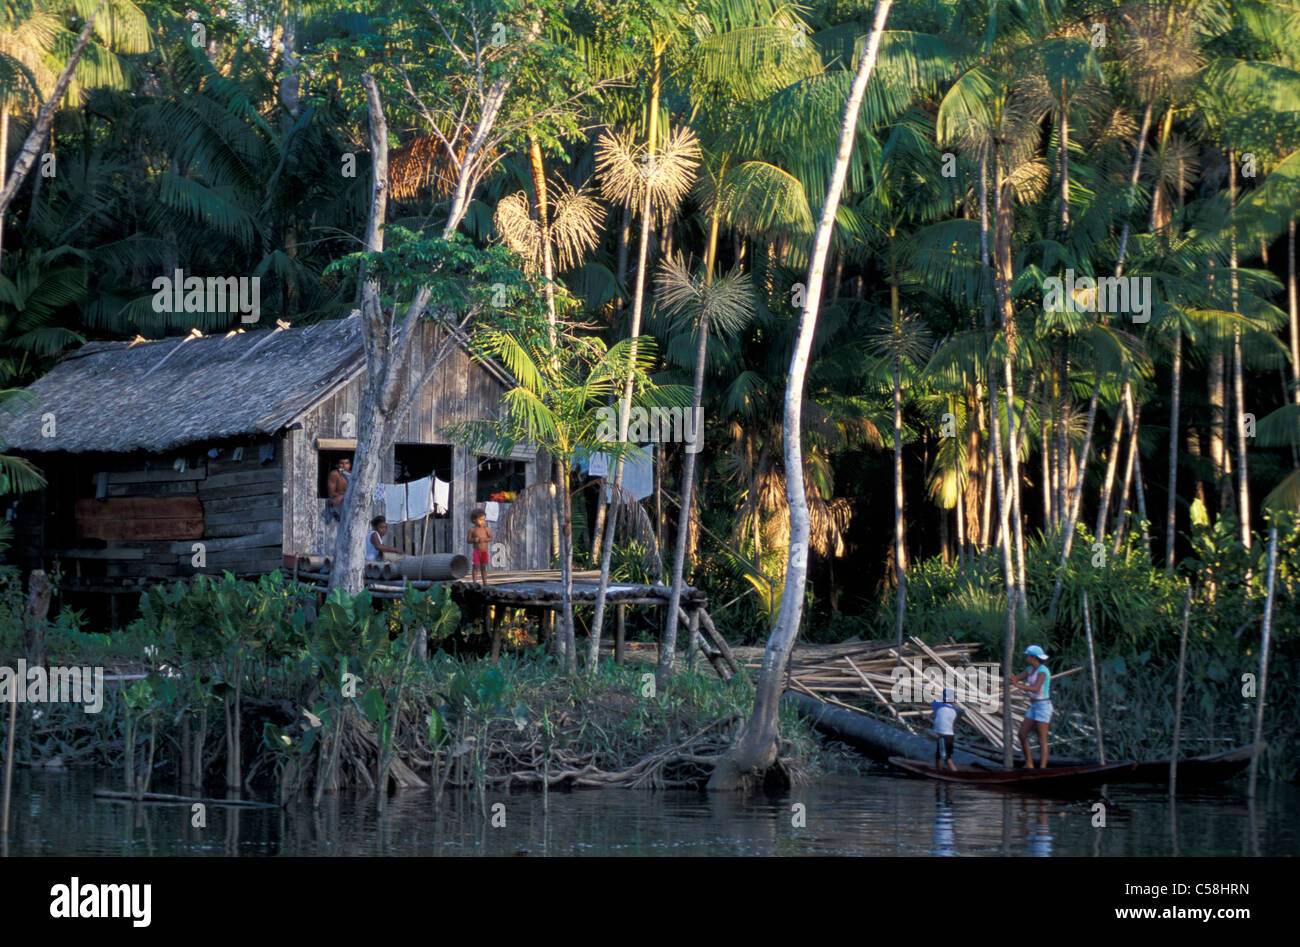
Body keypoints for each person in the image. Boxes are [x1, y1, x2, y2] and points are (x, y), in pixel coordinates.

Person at [1012, 644, 1053, 769]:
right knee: (1022, 734)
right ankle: (1029, 763)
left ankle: (1042, 768)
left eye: (1027, 656)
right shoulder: (1030, 669)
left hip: (1043, 706)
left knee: (1042, 740)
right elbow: (1015, 679)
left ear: (1033, 657)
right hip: (1034, 706)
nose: (1026, 658)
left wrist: (1017, 685)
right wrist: (995, 686)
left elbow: (1035, 689)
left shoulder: (1043, 671)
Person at [931, 687, 965, 772]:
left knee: (946, 758)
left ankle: (955, 773)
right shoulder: (956, 710)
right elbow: (962, 712)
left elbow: (933, 707)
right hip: (949, 735)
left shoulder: (938, 706)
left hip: (943, 736)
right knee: (938, 755)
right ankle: (939, 771)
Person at [468, 509, 492, 584]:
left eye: (484, 520)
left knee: (483, 567)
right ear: (474, 520)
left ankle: (485, 582)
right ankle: (474, 582)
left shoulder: (486, 529)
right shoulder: (472, 530)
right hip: (476, 552)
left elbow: (491, 538)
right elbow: (468, 540)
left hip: (484, 551)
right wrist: (474, 540)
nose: (483, 522)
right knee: (475, 566)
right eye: (481, 519)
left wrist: (485, 539)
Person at [325, 456, 352, 522]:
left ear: (350, 464)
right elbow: (331, 494)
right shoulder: (335, 474)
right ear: (337, 465)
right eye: (341, 463)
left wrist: (342, 496)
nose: (344, 466)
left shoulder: (354, 474)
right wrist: (346, 495)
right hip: (337, 507)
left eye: (347, 463)